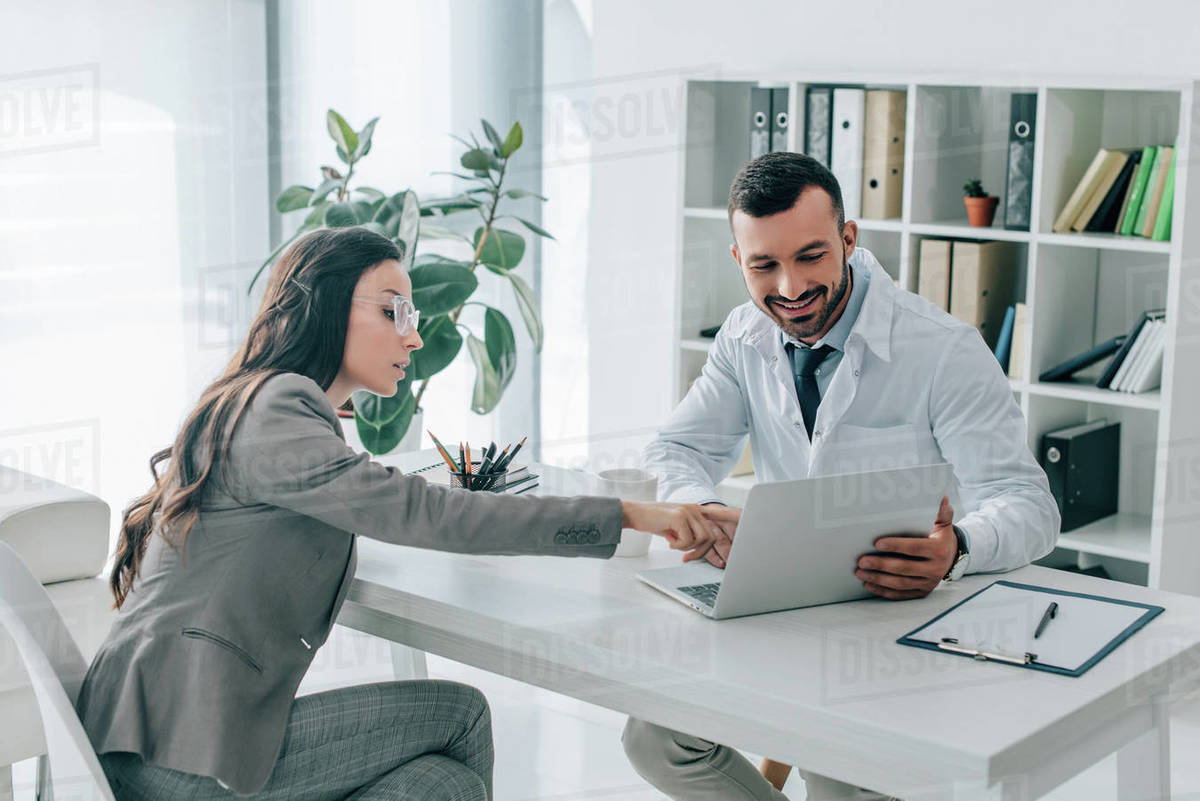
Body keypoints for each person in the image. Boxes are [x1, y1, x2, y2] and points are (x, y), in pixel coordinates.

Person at [76, 226, 736, 801]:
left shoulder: (259, 403)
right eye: (394, 311)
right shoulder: (279, 406)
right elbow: (424, 512)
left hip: (162, 740)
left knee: (447, 789)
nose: (414, 335)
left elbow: (365, 508)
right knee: (462, 714)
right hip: (179, 753)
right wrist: (627, 514)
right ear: (328, 306)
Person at [621, 152, 1060, 801]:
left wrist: (958, 547)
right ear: (738, 259)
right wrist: (701, 509)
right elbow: (675, 451)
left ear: (848, 241)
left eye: (811, 256)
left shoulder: (942, 349)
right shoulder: (744, 337)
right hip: (781, 614)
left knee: (839, 775)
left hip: (896, 631)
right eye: (765, 264)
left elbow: (1029, 506)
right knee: (653, 736)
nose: (791, 286)